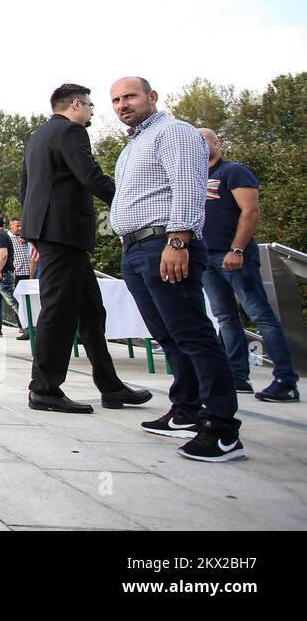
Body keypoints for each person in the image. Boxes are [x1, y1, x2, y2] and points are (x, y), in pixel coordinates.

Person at [109, 76, 244, 462]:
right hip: (136, 249)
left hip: (163, 244)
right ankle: (187, 409)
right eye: (116, 100)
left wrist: (178, 241)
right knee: (167, 334)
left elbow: (186, 186)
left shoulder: (175, 132)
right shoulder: (135, 144)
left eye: (130, 96)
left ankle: (222, 430)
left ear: (151, 96)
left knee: (194, 334)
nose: (122, 105)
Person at [21, 83, 150, 413]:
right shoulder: (71, 132)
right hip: (64, 233)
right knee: (58, 310)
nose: (93, 111)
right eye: (90, 105)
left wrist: (36, 233)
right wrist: (131, 203)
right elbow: (91, 176)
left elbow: (26, 189)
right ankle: (45, 389)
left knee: (92, 312)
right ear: (76, 104)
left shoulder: (37, 136)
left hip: (56, 233)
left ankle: (110, 387)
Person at [197, 128, 299, 402]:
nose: (198, 146)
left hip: (233, 255)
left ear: (216, 142)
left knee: (261, 315)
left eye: (202, 140)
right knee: (225, 318)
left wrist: (237, 249)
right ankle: (237, 376)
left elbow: (251, 212)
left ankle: (285, 380)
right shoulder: (196, 177)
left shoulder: (234, 171)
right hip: (206, 258)